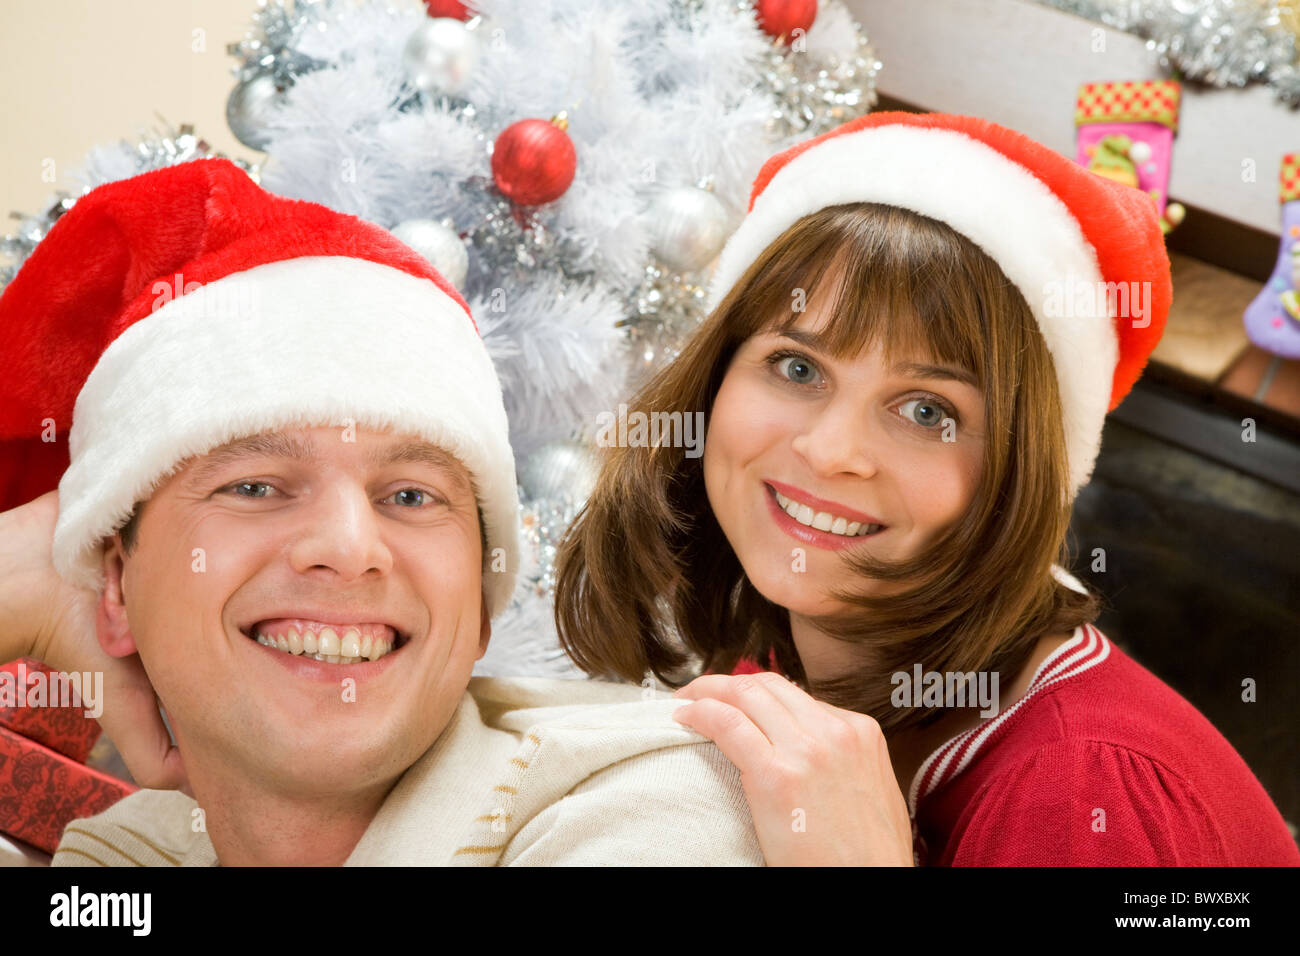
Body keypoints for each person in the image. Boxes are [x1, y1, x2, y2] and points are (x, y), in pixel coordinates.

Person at [553, 111, 1300, 866]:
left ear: (1019, 473)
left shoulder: (1083, 790)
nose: (833, 451)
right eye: (797, 368)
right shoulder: (787, 663)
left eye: (926, 411)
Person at [0, 158, 761, 866]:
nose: (349, 545)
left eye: (410, 496)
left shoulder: (650, 802)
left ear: (482, 608)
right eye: (256, 486)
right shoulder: (134, 852)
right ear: (115, 588)